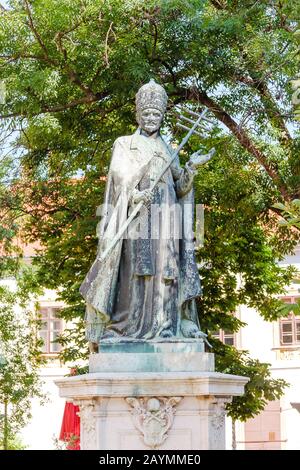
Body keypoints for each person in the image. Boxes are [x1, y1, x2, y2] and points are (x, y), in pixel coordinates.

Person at [80, 80, 214, 352]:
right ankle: (131, 327)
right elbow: (119, 175)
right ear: (138, 115)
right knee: (138, 270)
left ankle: (167, 326)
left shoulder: (168, 149)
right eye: (147, 114)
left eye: (156, 115)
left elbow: (179, 187)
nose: (151, 118)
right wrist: (133, 193)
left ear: (162, 117)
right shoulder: (125, 144)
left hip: (166, 217)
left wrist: (190, 168)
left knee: (168, 270)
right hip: (138, 218)